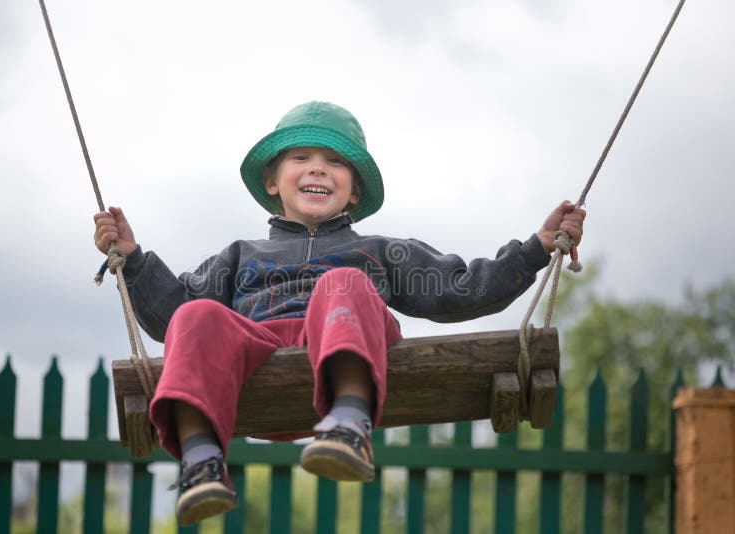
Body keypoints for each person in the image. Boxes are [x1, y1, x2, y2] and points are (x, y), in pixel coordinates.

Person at [93, 101, 585, 525]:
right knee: (197, 317)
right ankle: (202, 461)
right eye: (301, 157)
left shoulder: (380, 253)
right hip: (257, 359)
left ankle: (350, 424)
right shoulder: (240, 255)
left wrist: (535, 251)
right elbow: (174, 319)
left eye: (334, 161)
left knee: (343, 281)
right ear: (272, 180)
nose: (318, 168)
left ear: (354, 191)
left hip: (343, 346)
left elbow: (461, 288)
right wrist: (133, 261)